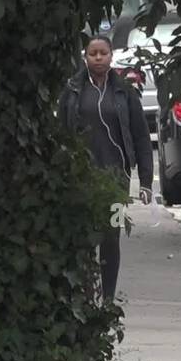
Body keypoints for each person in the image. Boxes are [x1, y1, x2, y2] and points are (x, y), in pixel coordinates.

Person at [58, 34, 153, 302]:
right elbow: (61, 131)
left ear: (111, 56)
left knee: (111, 238)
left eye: (103, 53)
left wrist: (145, 181)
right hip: (82, 178)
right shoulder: (73, 89)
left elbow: (141, 136)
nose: (98, 58)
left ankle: (108, 299)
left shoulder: (124, 92)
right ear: (85, 57)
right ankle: (86, 296)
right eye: (92, 53)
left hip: (116, 181)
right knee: (84, 238)